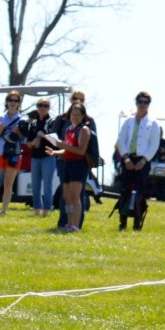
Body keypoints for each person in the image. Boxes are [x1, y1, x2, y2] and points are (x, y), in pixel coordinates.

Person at [114, 90, 162, 231]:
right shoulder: (128, 121)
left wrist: (143, 161)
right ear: (136, 103)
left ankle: (137, 222)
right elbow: (121, 140)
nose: (142, 105)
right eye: (140, 102)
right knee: (125, 190)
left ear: (149, 104)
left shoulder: (153, 123)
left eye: (145, 102)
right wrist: (126, 158)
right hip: (128, 158)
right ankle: (122, 222)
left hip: (143, 161)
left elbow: (154, 145)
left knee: (140, 192)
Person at [51, 101, 93, 232]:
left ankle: (76, 225)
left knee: (75, 196)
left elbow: (80, 150)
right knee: (67, 197)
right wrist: (55, 152)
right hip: (67, 164)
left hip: (79, 165)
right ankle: (69, 223)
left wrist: (62, 146)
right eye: (73, 114)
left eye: (78, 114)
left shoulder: (84, 130)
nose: (75, 117)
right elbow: (68, 149)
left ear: (83, 116)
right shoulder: (69, 129)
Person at [26, 97, 56, 217]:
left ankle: (46, 210)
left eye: (45, 106)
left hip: (48, 157)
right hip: (35, 157)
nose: (42, 108)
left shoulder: (52, 122)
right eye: (40, 105)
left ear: (49, 108)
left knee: (47, 185)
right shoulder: (33, 123)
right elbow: (28, 143)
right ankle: (37, 210)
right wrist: (32, 143)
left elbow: (55, 141)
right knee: (35, 185)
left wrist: (42, 135)